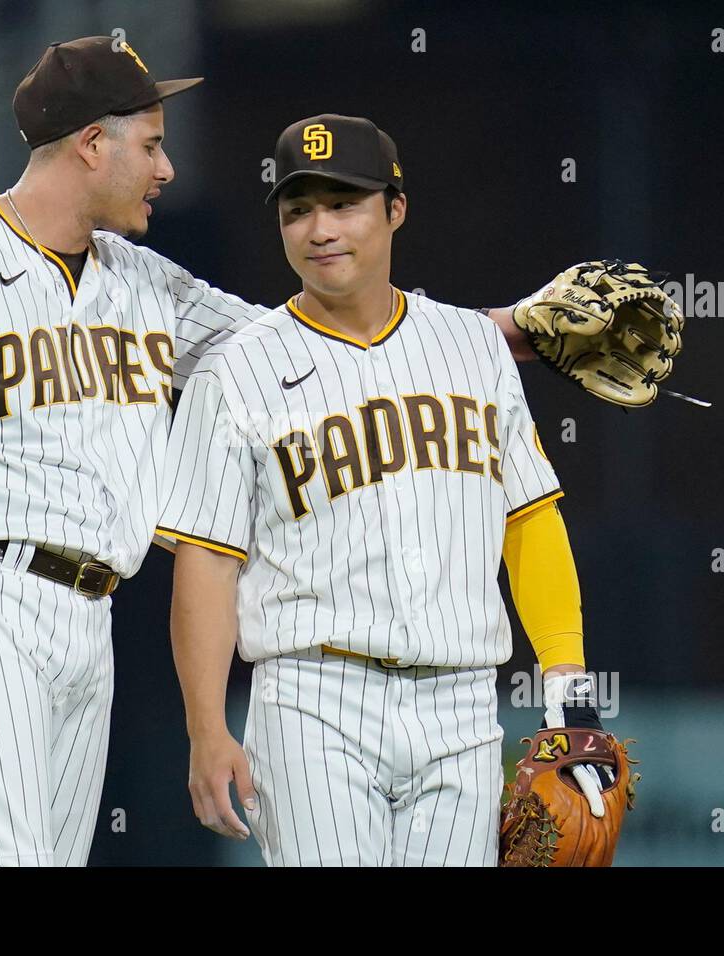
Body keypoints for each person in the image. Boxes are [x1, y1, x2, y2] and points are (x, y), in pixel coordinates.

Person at [0, 36, 588, 867]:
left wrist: (504, 332)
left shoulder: (145, 283)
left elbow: (306, 348)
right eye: (150, 145)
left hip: (88, 617)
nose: (166, 170)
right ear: (92, 144)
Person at [159, 115, 616, 866]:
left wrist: (566, 679)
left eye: (343, 204)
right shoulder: (235, 369)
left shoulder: (474, 348)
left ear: (395, 209)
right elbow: (206, 562)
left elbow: (529, 519)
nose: (319, 228)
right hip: (311, 699)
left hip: (462, 704)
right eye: (298, 209)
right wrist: (207, 728)